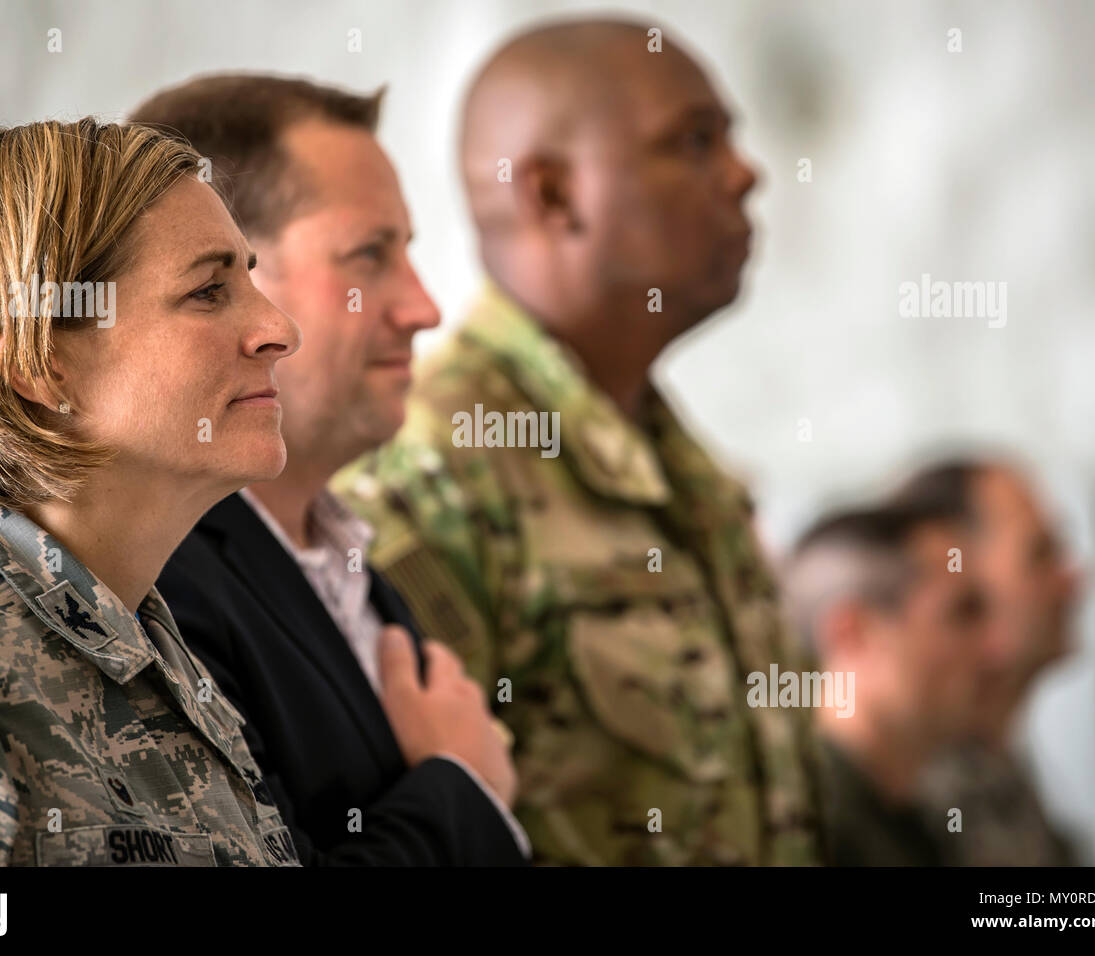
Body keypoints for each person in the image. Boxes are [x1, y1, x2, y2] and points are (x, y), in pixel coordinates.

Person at [336, 18, 822, 865]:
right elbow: (426, 829)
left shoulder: (682, 468)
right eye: (695, 142)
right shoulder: (434, 471)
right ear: (552, 195)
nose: (746, 175)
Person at [0, 118, 304, 865]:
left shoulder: (167, 660)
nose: (278, 328)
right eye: (208, 291)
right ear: (42, 367)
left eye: (250, 281)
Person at [133, 74, 528, 865]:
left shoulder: (346, 555)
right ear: (227, 271)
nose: (424, 309)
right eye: (370, 255)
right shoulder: (151, 582)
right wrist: (462, 787)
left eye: (407, 253)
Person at [893, 459, 1082, 865]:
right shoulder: (916, 784)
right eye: (1040, 554)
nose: (1074, 579)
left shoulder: (996, 760)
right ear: (956, 569)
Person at [781, 502, 991, 865]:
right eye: (961, 614)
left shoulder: (905, 812)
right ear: (854, 635)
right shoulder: (804, 830)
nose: (994, 649)